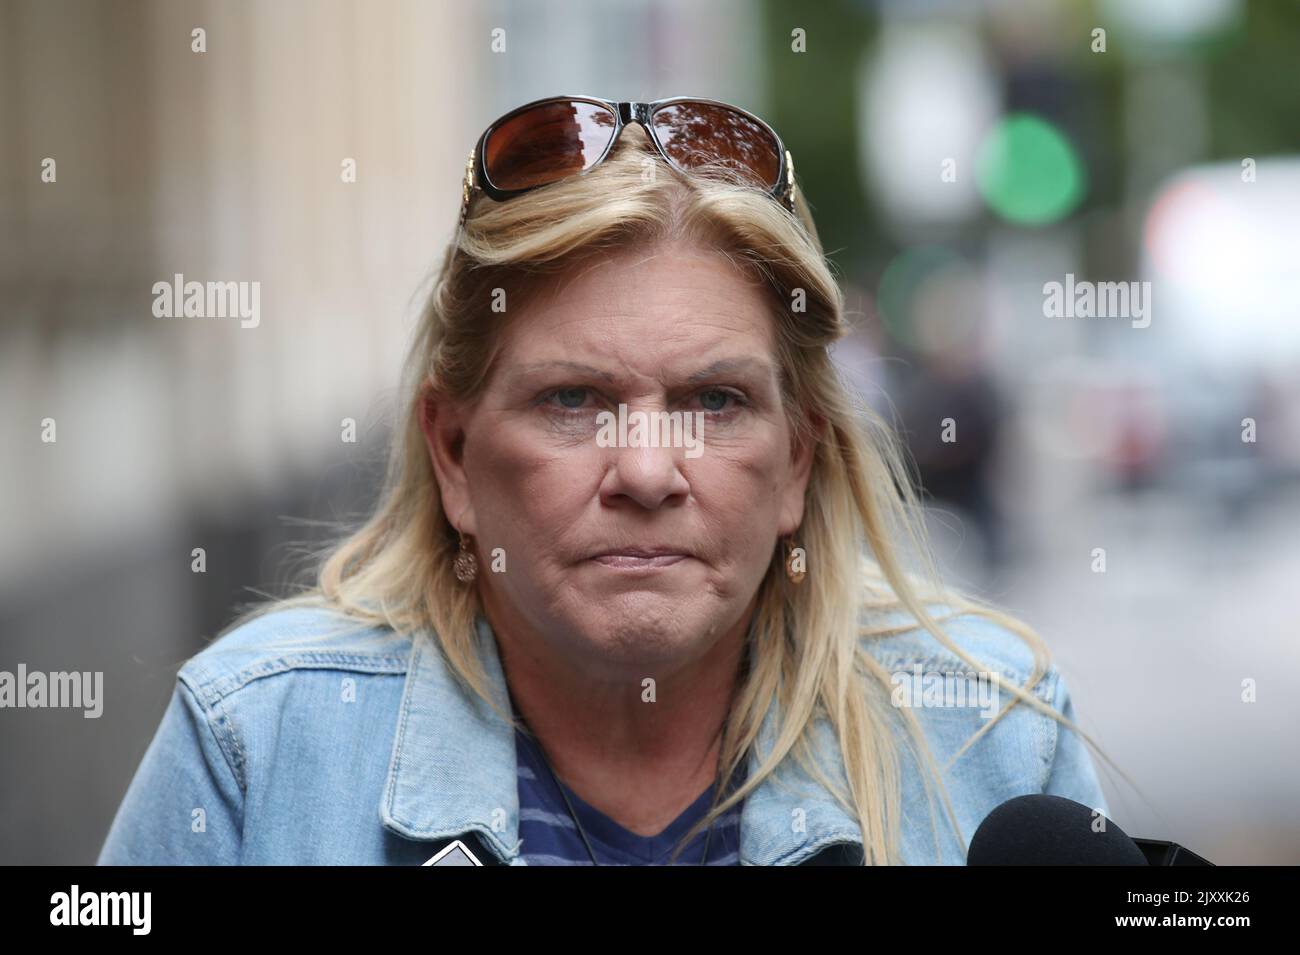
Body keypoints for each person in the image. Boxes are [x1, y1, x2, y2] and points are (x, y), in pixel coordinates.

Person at [98, 95, 1111, 866]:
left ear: (797, 458)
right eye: (572, 400)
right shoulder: (261, 748)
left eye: (715, 401)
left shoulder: (987, 733)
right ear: (452, 454)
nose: (644, 469)